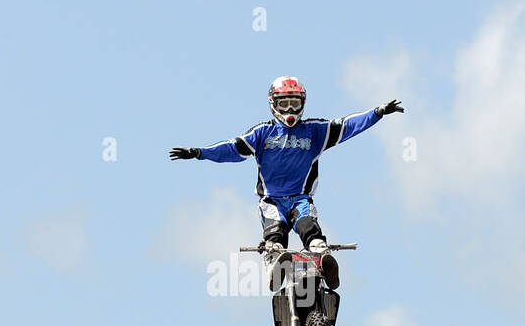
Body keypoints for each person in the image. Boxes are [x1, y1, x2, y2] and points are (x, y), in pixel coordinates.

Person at [169, 76, 404, 284]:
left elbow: (347, 125)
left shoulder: (315, 131)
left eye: (295, 103)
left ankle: (322, 257)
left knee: (309, 228)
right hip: (271, 200)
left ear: (303, 103)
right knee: (275, 233)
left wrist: (377, 112)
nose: (290, 109)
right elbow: (232, 148)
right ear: (273, 104)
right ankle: (274, 262)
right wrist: (200, 152)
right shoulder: (262, 133)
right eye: (284, 104)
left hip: (301, 199)